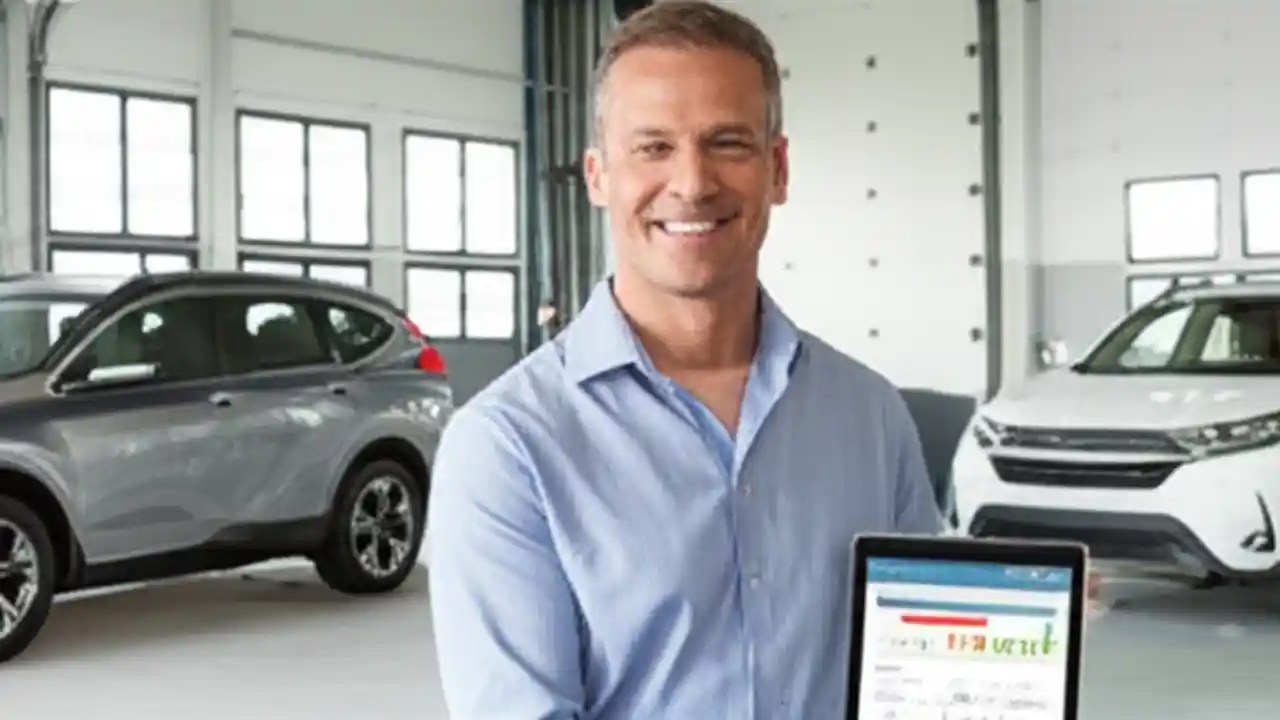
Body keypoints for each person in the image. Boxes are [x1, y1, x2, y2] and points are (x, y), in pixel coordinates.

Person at [425, 2, 943, 717]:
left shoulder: (870, 416)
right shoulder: (507, 447)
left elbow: (918, 673)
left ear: (778, 169)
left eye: (728, 142)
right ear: (600, 176)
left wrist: (1017, 632)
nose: (693, 183)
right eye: (654, 147)